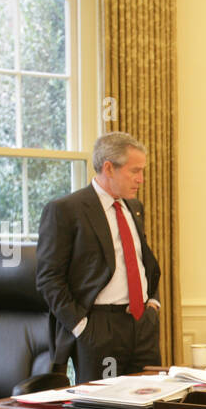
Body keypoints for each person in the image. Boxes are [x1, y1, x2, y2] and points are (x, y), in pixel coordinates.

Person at [36, 132, 161, 382]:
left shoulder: (134, 207)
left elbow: (141, 262)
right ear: (109, 168)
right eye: (135, 171)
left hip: (142, 325)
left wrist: (153, 305)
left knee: (151, 404)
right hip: (100, 329)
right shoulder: (66, 210)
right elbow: (49, 279)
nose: (141, 179)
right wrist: (81, 326)